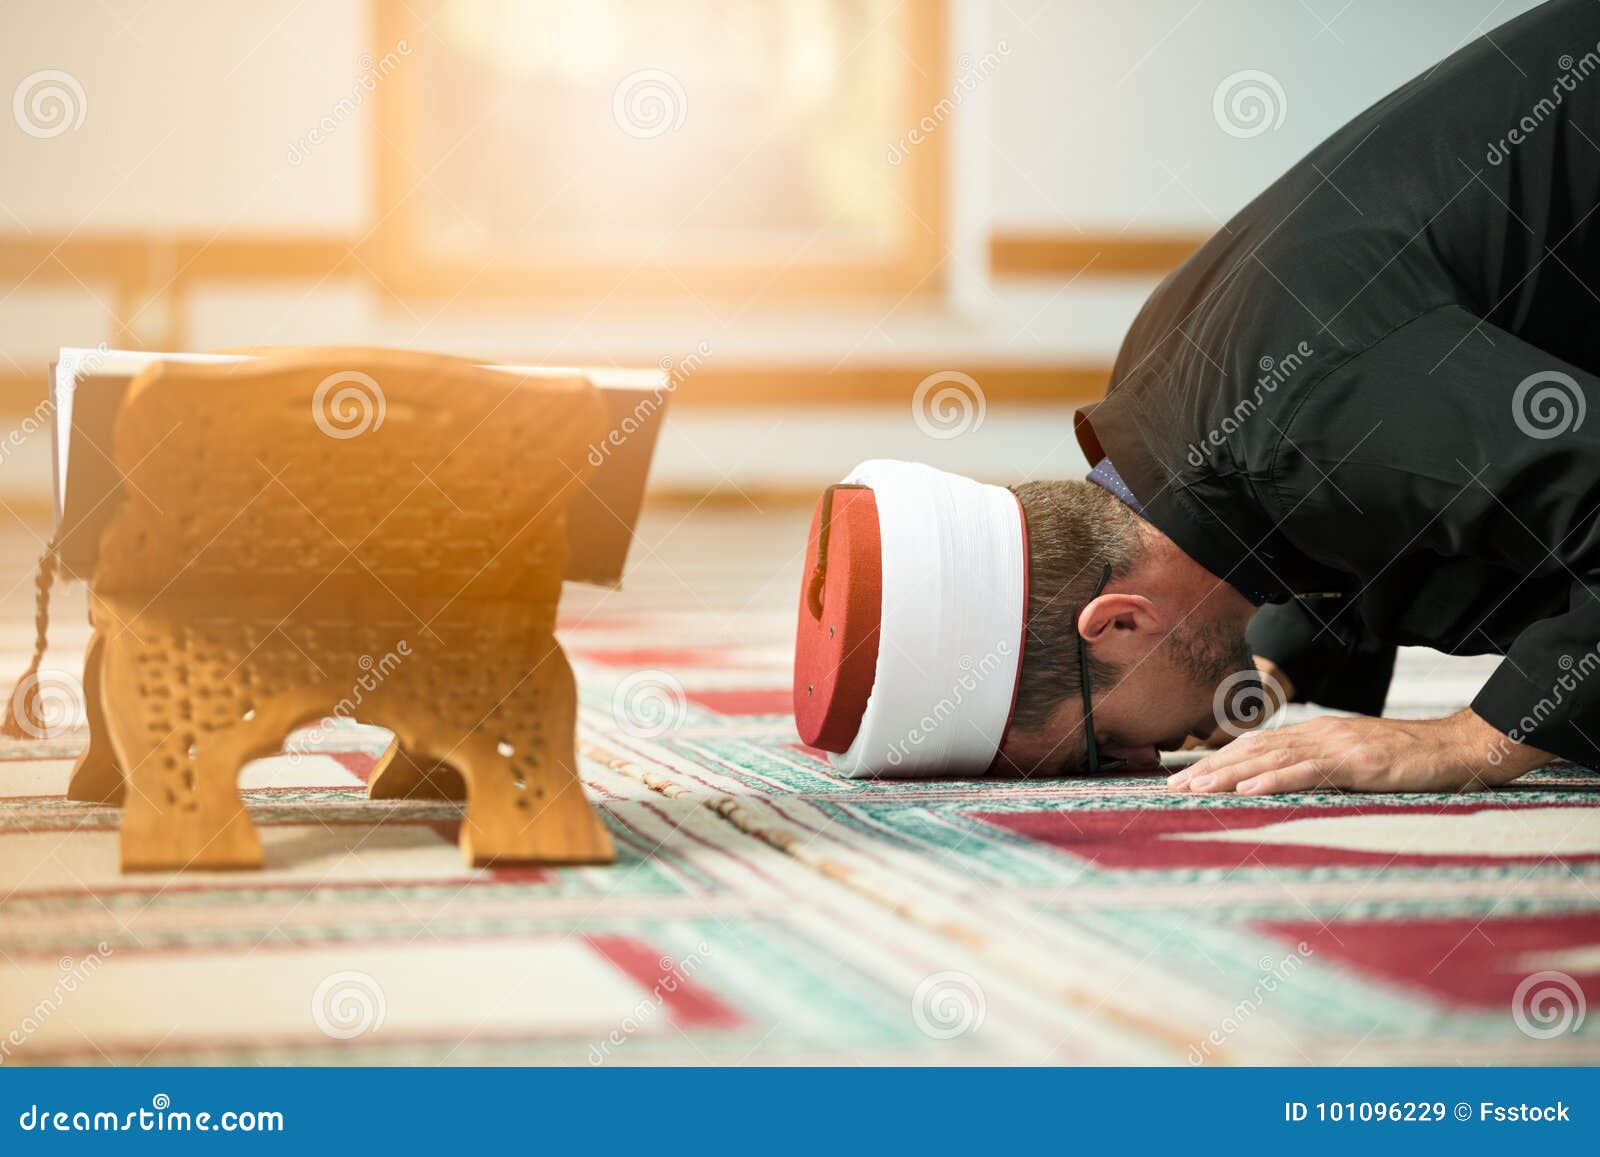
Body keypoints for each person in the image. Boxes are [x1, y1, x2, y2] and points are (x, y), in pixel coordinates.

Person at [997, 0, 1600, 795]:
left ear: (1119, 621)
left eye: (1103, 742)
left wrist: (1468, 741)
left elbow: (1346, 436)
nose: (1142, 762)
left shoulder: (1304, 415)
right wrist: (1272, 660)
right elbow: (1356, 494)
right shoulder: (1160, 395)